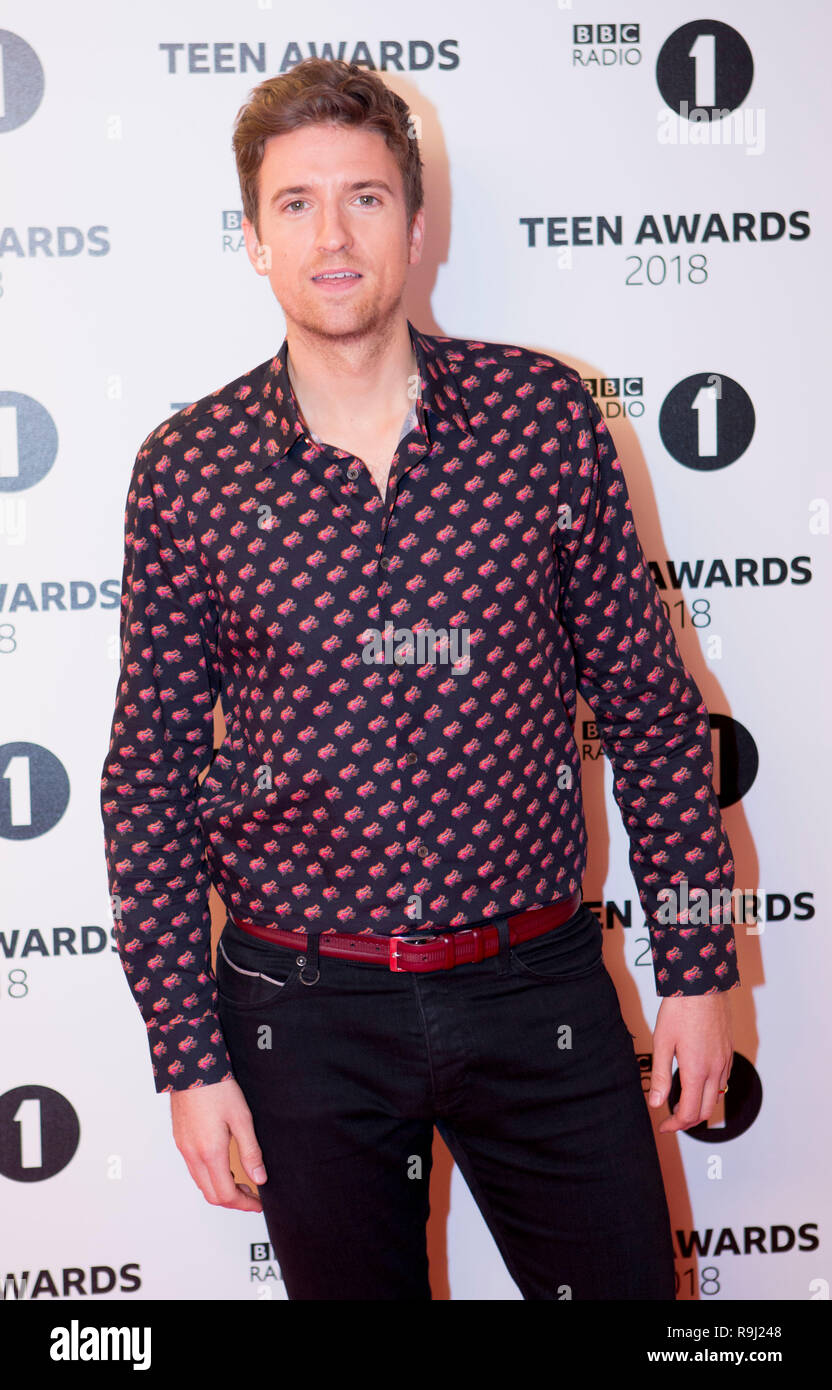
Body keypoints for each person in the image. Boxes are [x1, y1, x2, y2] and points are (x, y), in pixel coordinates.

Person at [100, 57, 739, 1301]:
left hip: (536, 989)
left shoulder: (542, 420)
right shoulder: (188, 472)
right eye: (295, 204)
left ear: (418, 223)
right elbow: (150, 781)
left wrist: (700, 970)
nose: (332, 236)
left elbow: (657, 725)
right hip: (300, 1016)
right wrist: (187, 1055)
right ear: (252, 238)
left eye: (366, 198)